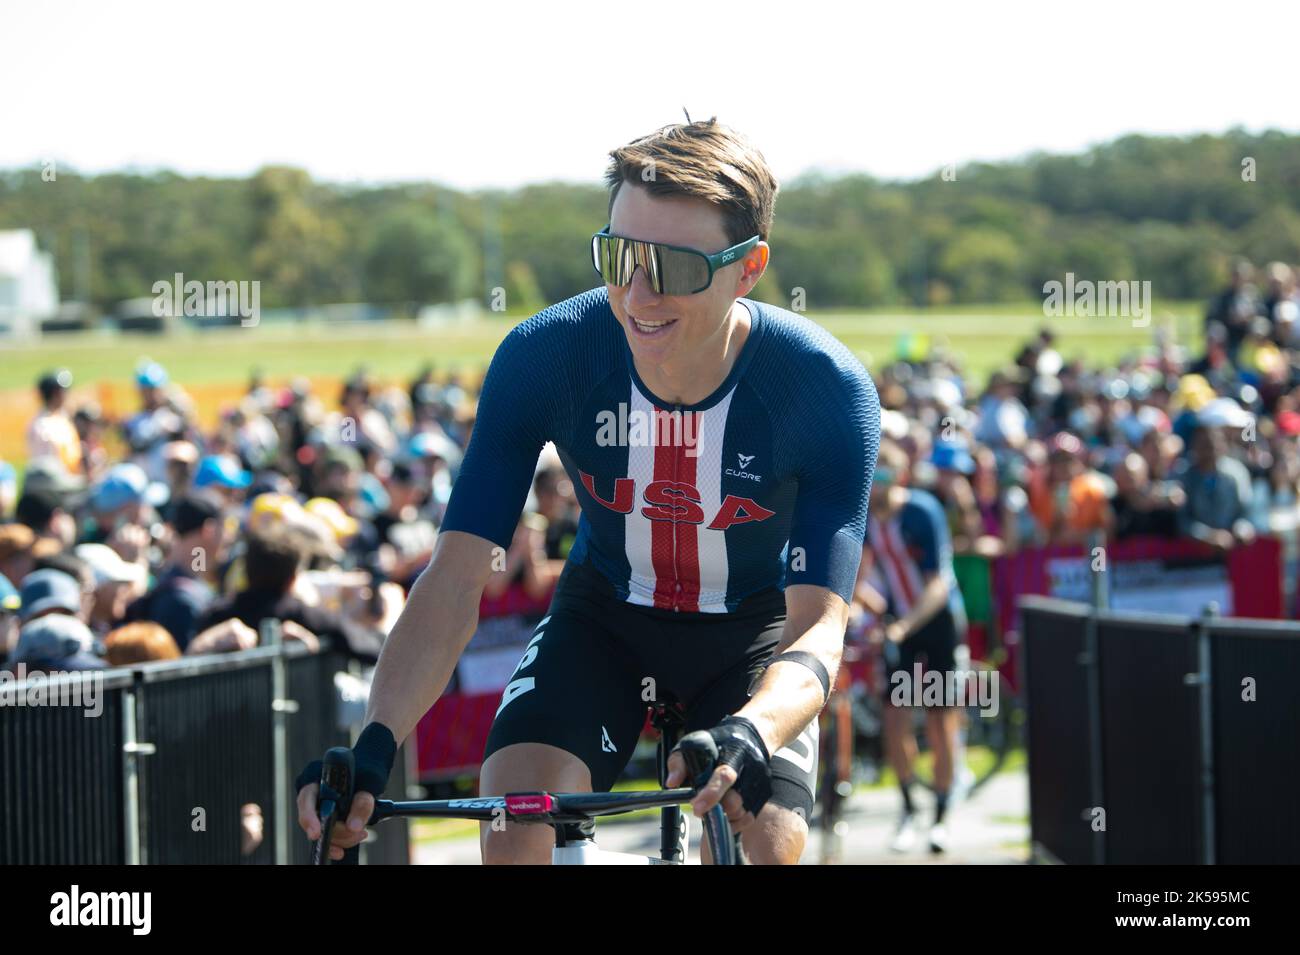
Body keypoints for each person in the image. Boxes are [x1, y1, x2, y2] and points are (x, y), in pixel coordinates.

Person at [296, 118, 881, 865]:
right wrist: (374, 743)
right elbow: (455, 576)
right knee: (512, 824)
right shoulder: (548, 355)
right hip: (604, 619)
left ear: (749, 268)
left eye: (673, 267)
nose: (636, 294)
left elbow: (819, 626)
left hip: (752, 637)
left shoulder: (824, 388)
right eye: (619, 255)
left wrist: (758, 727)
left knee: (766, 845)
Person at [856, 440, 966, 854]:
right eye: (873, 476)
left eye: (883, 476)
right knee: (895, 717)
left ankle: (941, 814)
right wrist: (862, 606)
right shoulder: (868, 518)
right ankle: (907, 807)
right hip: (898, 625)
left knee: (940, 720)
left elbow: (939, 583)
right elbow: (859, 574)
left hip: (933, 622)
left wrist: (903, 625)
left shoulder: (922, 511)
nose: (876, 485)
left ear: (899, 478)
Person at [123, 490, 225, 650]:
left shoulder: (186, 581)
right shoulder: (180, 599)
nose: (227, 537)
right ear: (209, 530)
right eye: (223, 529)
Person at [26, 369, 83, 476]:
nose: (66, 395)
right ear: (55, 394)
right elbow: (45, 464)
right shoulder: (41, 426)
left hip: (71, 479)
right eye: (63, 391)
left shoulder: (63, 417)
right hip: (56, 483)